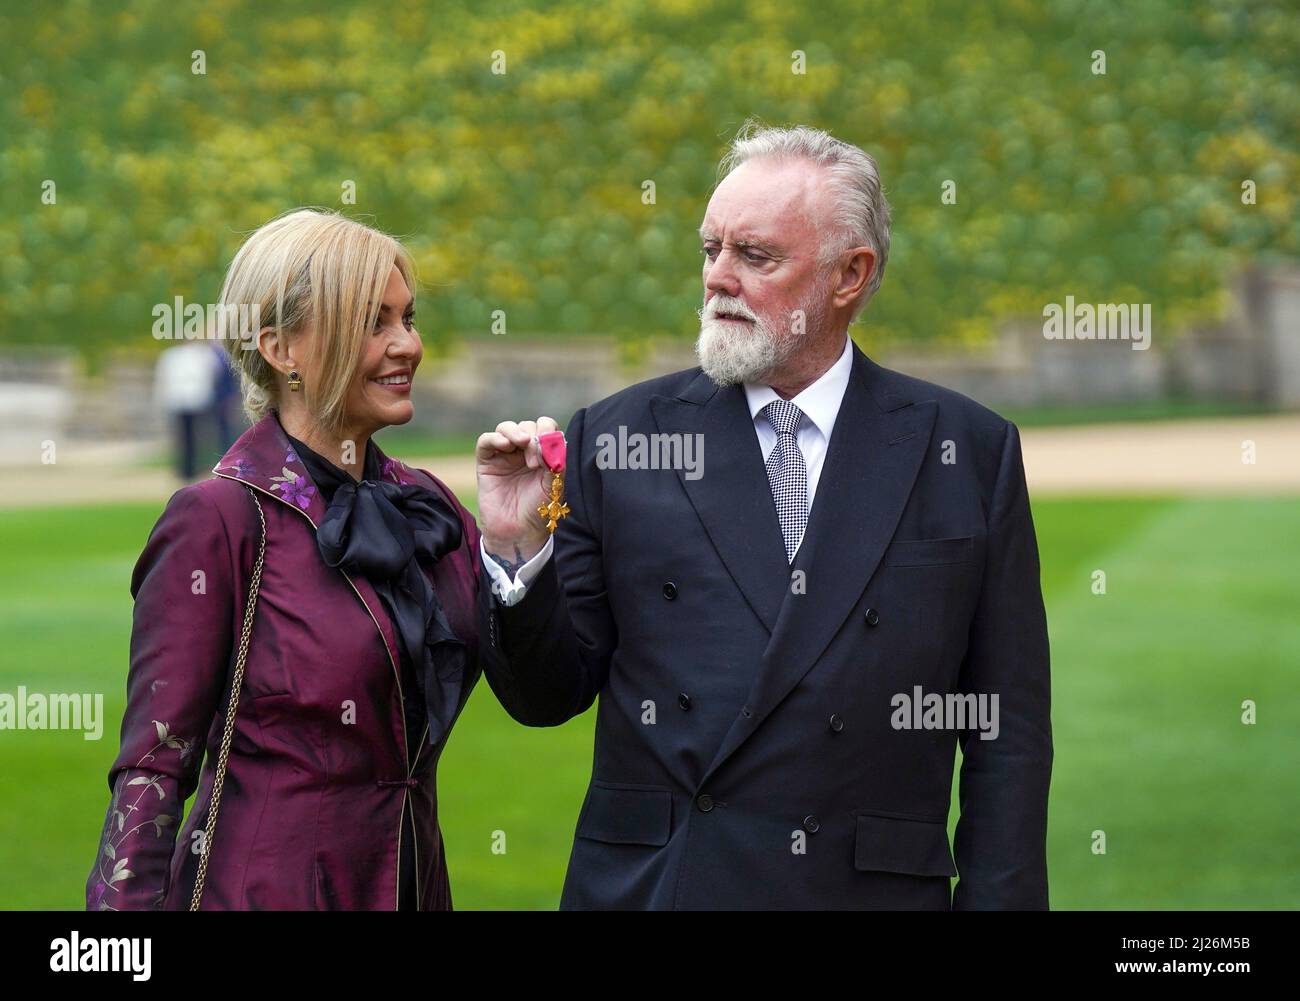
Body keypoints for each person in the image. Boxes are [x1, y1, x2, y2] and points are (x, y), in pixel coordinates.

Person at [475, 123, 1053, 910]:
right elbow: (545, 697)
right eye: (711, 249)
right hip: (666, 889)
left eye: (755, 256)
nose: (718, 278)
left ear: (850, 275)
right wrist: (518, 551)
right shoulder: (615, 437)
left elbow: (1006, 734)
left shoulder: (968, 449)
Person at [87, 209, 483, 910]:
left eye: (407, 317)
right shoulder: (219, 519)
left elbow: (539, 684)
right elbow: (152, 767)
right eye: (373, 322)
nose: (409, 345)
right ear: (280, 347)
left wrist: (522, 542)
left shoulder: (429, 507)